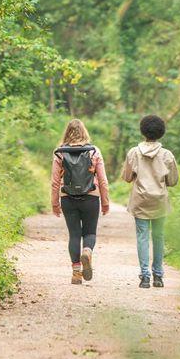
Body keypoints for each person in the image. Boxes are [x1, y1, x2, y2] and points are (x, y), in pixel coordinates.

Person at [121, 114, 179, 289]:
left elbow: (127, 177)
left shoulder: (134, 153)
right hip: (160, 202)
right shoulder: (167, 155)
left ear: (142, 131)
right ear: (161, 132)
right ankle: (158, 276)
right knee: (159, 237)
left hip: (140, 201)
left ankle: (145, 277)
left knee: (142, 237)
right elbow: (173, 181)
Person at [51, 119, 110, 285]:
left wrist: (55, 204)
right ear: (84, 132)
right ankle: (87, 251)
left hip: (68, 198)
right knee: (90, 233)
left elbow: (55, 182)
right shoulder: (94, 151)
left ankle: (76, 273)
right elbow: (103, 180)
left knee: (74, 235)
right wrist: (105, 202)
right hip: (91, 197)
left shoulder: (59, 152)